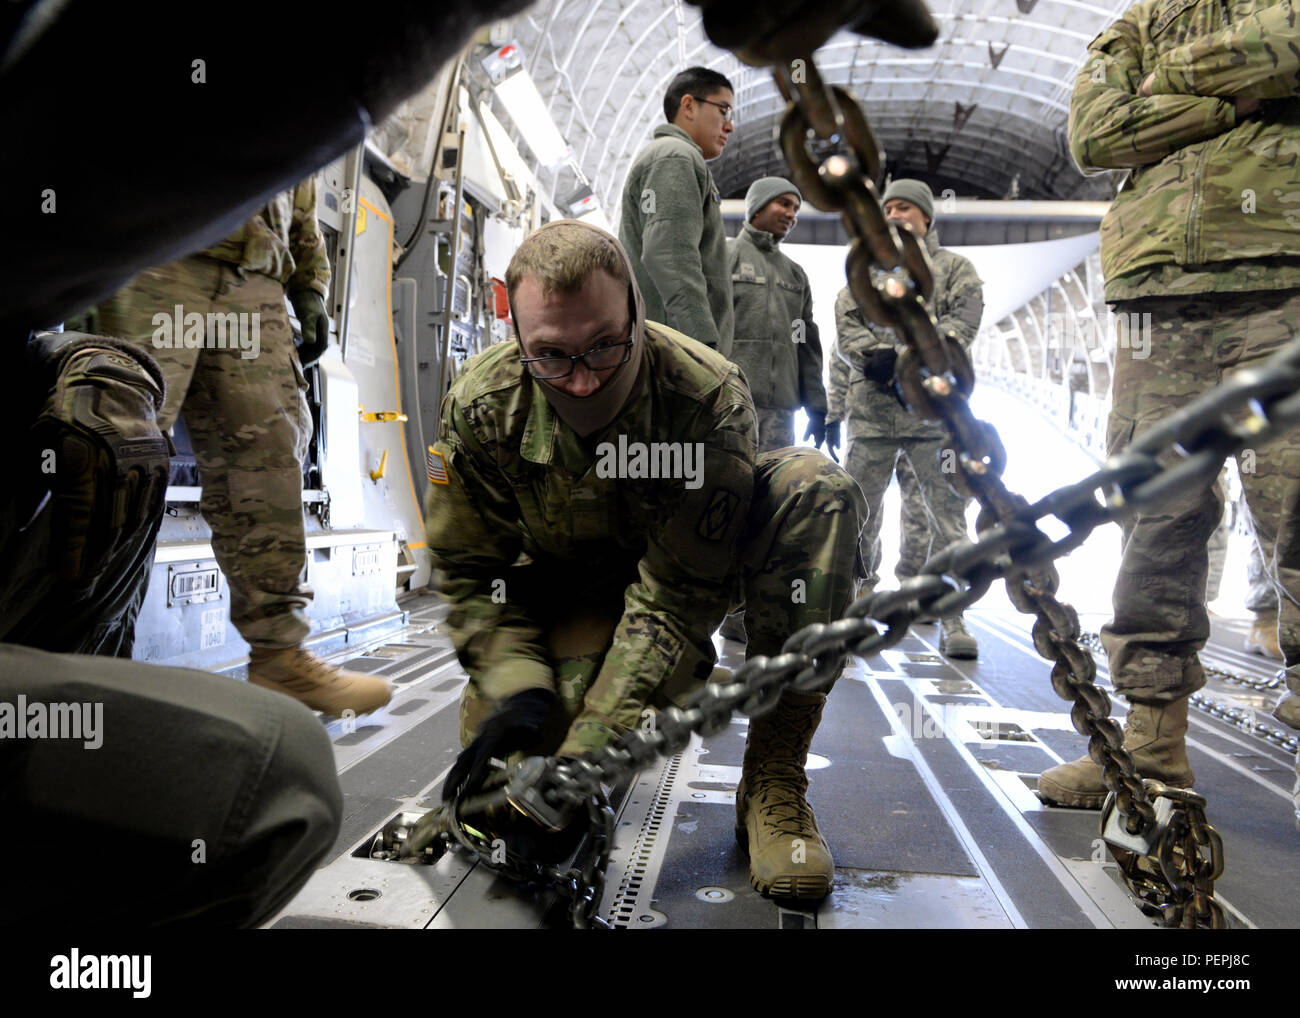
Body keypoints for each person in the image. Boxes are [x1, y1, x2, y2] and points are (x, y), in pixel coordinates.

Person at [425, 220, 865, 899]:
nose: (580, 382)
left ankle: (774, 779)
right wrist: (517, 687)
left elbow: (673, 599)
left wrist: (588, 754)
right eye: (551, 356)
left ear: (635, 309)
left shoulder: (705, 397)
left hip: (675, 587)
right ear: (516, 340)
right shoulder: (483, 408)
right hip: (567, 600)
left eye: (605, 346)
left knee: (816, 488)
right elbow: (470, 573)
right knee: (508, 796)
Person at [1037, 0, 1300, 811]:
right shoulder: (1138, 20)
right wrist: (1238, 96)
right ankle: (1152, 747)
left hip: (1283, 273)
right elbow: (1095, 135)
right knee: (1157, 519)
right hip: (1157, 297)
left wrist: (1172, 81)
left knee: (1297, 509)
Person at [93, 184, 392, 718]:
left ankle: (279, 656)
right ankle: (82, 665)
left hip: (255, 275)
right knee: (113, 460)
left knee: (269, 465)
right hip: (153, 248)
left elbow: (300, 168)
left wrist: (309, 284)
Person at [826, 179, 984, 659]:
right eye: (888, 207)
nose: (895, 214)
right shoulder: (862, 274)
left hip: (933, 420)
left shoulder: (955, 270)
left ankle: (952, 617)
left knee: (949, 518)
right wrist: (874, 364)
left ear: (927, 218)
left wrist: (898, 358)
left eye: (906, 208)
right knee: (858, 517)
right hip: (871, 419)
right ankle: (857, 605)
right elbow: (846, 324)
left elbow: (964, 323)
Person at [619, 66, 736, 357]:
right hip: (676, 357)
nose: (730, 125)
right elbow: (668, 254)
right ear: (689, 105)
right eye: (725, 110)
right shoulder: (675, 157)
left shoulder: (674, 156)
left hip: (670, 351)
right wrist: (703, 349)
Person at [727, 177, 834, 456]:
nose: (791, 214)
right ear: (757, 208)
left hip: (781, 414)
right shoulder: (724, 259)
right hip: (729, 405)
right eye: (783, 204)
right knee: (725, 490)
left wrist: (817, 408)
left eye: (796, 209)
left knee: (773, 492)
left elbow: (807, 347)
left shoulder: (795, 274)